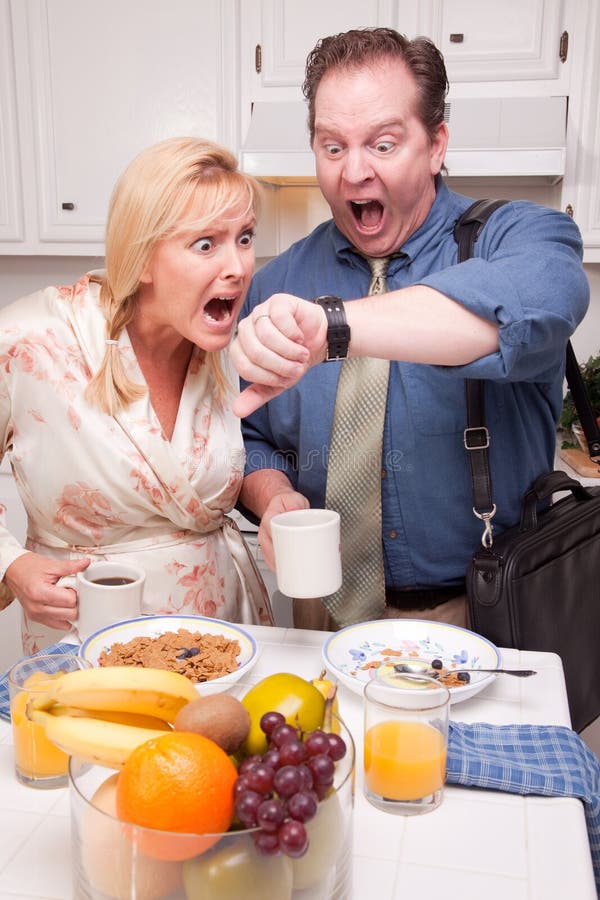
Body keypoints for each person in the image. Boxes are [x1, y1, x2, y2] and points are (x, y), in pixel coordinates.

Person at [230, 27, 590, 632]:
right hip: (321, 610)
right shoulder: (277, 283)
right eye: (333, 146)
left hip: (485, 609)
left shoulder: (522, 237)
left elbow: (536, 304)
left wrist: (335, 327)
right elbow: (254, 437)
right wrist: (273, 497)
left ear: (436, 144)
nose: (354, 173)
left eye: (384, 144)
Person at [0, 136, 274, 654]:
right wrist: (12, 565)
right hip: (87, 645)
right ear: (141, 257)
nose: (238, 267)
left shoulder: (219, 345)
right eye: (206, 244)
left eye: (244, 237)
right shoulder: (32, 338)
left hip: (218, 646)